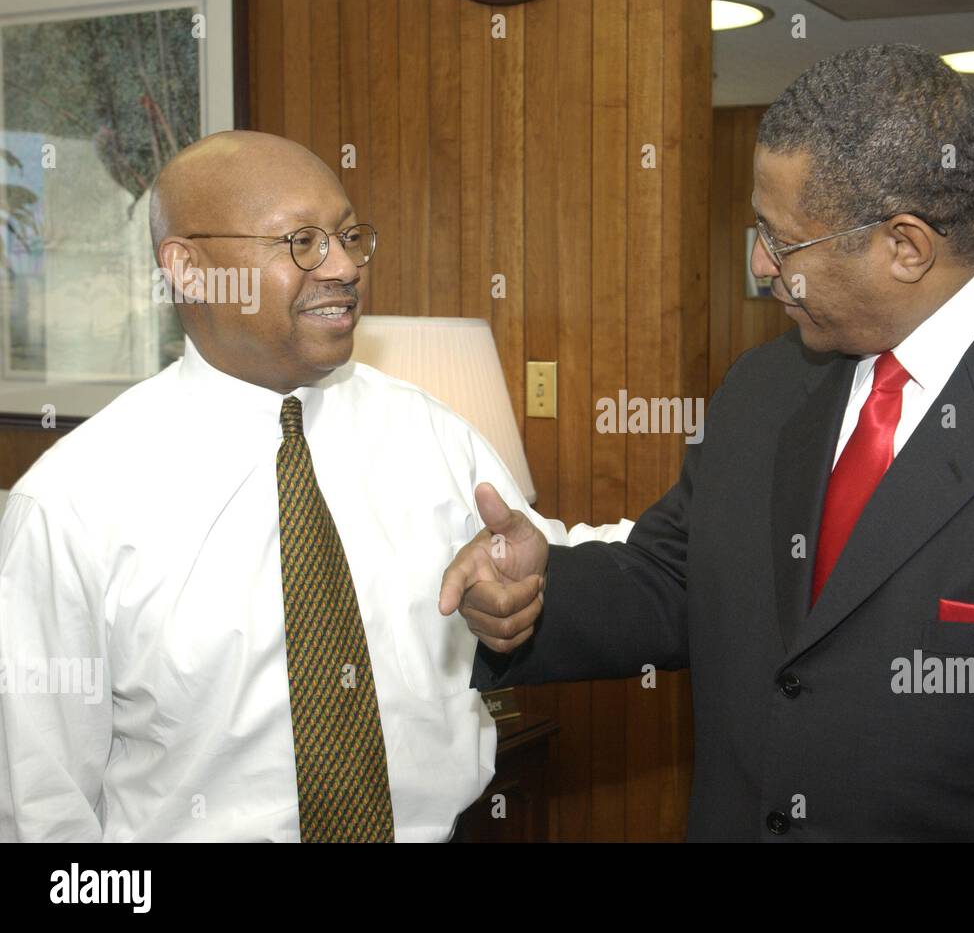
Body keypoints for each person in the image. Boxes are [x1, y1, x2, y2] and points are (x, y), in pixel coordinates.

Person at [441, 44, 974, 841]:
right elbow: (676, 574)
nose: (763, 268)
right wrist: (536, 590)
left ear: (905, 245)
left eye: (783, 243)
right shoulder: (763, 389)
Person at [0, 130, 627, 841]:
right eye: (301, 241)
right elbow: (42, 812)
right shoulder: (70, 505)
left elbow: (551, 565)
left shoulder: (428, 432)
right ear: (189, 268)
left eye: (349, 234)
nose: (344, 266)